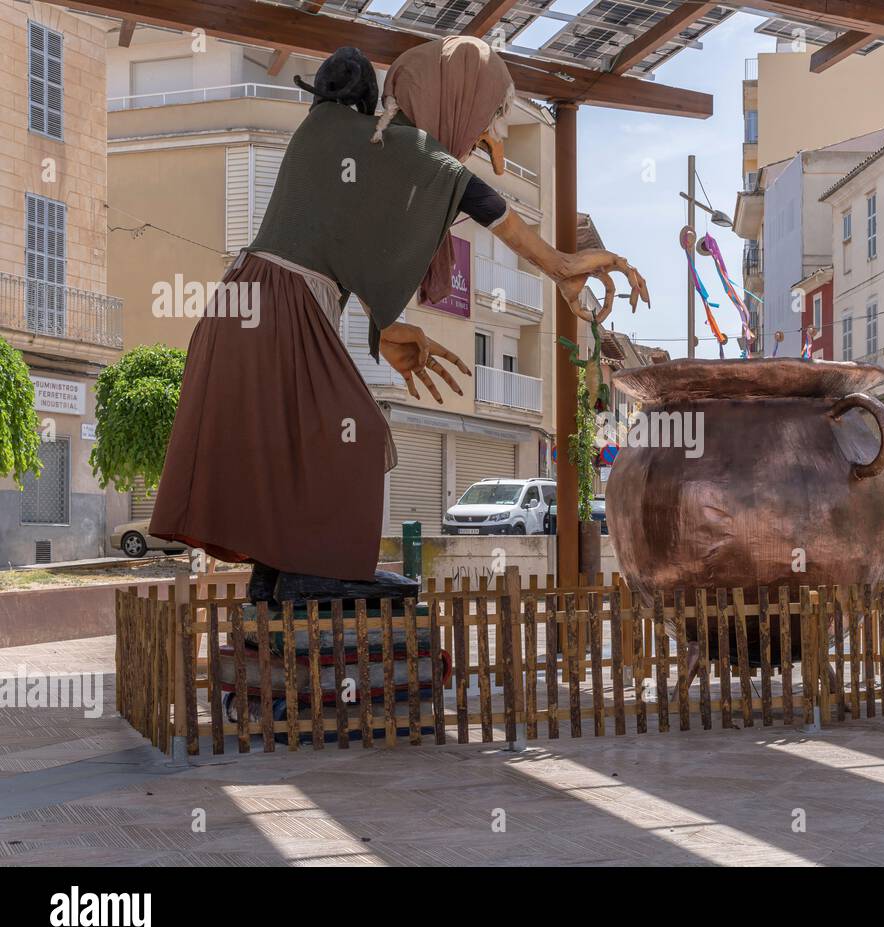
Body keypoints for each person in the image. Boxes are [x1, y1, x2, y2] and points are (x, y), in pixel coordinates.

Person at [149, 39, 648, 601]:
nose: (486, 132)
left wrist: (385, 324)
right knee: (352, 435)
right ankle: (316, 575)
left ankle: (280, 576)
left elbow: (346, 237)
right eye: (485, 115)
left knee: (293, 445)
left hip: (242, 305)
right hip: (281, 310)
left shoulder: (339, 139)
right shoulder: (396, 146)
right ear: (449, 97)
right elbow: (477, 198)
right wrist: (559, 264)